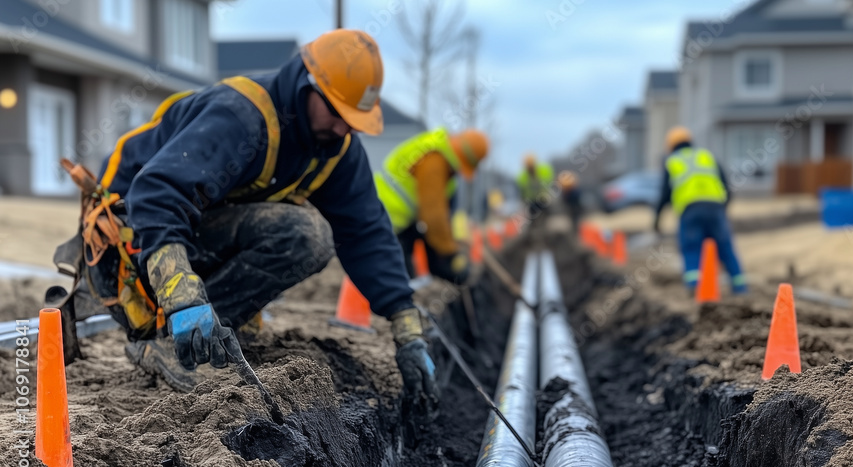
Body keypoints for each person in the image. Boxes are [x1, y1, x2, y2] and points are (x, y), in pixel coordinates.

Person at [71, 30, 440, 426]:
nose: (342, 129)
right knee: (305, 234)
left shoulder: (333, 150)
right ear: (306, 86)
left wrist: (407, 327)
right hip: (129, 248)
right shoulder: (241, 115)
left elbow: (366, 232)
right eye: (336, 113)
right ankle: (168, 343)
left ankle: (207, 331)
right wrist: (183, 296)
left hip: (188, 239)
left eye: (353, 121)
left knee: (303, 234)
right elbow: (158, 197)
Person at [374, 127, 489, 284]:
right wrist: (451, 254)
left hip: (394, 219)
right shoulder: (435, 161)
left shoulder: (437, 149)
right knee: (397, 277)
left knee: (405, 271)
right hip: (388, 218)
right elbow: (433, 217)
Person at [654, 126, 747, 294]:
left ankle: (694, 287)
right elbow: (726, 185)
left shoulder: (672, 161)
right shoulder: (706, 156)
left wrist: (657, 220)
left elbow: (664, 194)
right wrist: (723, 209)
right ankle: (739, 286)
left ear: (671, 146)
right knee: (725, 247)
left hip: (690, 210)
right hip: (715, 208)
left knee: (691, 248)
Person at [516, 153, 555, 218]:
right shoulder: (522, 177)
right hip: (532, 202)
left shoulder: (544, 170)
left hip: (546, 199)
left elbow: (552, 183)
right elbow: (522, 193)